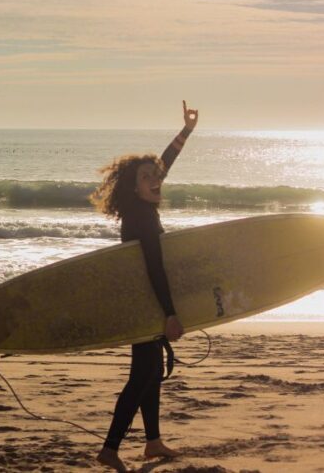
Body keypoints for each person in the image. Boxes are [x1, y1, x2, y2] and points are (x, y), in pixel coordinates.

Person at [90, 101, 198, 471]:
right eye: (147, 177)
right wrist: (170, 313)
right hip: (147, 304)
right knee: (141, 376)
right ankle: (109, 449)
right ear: (135, 188)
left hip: (142, 302)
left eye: (156, 176)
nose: (156, 180)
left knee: (151, 373)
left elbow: (164, 164)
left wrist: (186, 131)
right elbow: (154, 268)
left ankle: (152, 442)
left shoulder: (140, 209)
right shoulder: (143, 219)